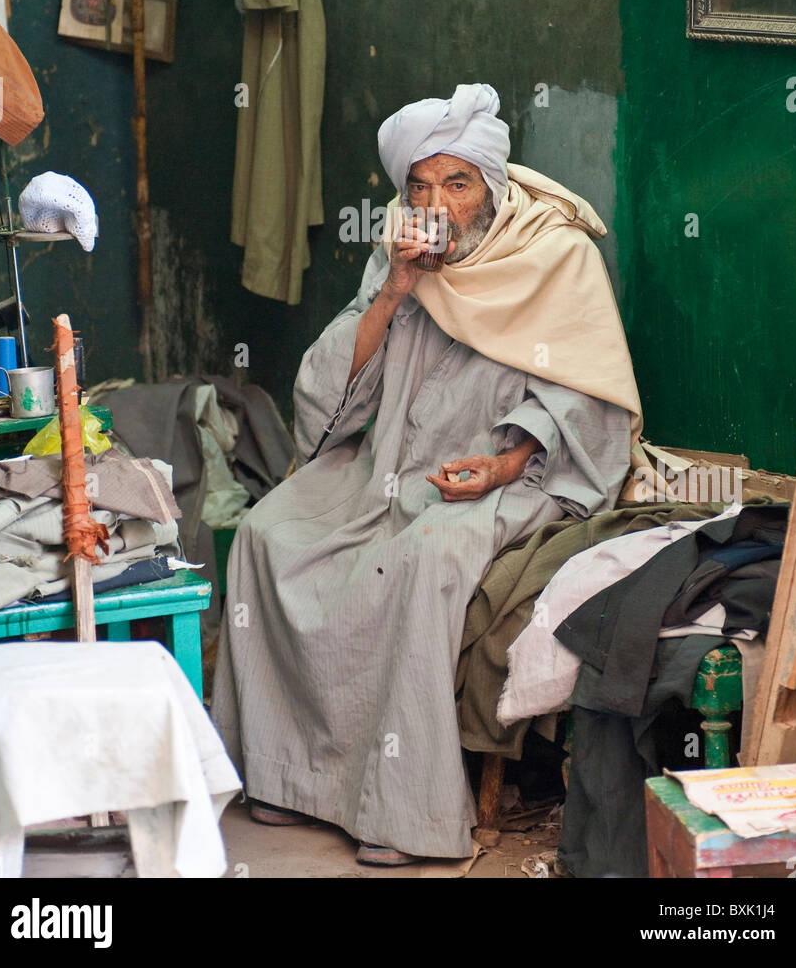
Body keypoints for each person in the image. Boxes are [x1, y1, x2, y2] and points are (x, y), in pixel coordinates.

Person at [211, 82, 642, 864]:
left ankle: (399, 812)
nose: (436, 202)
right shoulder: (401, 255)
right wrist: (395, 289)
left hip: (513, 479)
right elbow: (333, 398)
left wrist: (505, 462)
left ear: (490, 187)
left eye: (456, 183)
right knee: (268, 532)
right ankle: (284, 778)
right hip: (385, 467)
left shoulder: (554, 255)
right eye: (420, 184)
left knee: (425, 558)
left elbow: (589, 399)